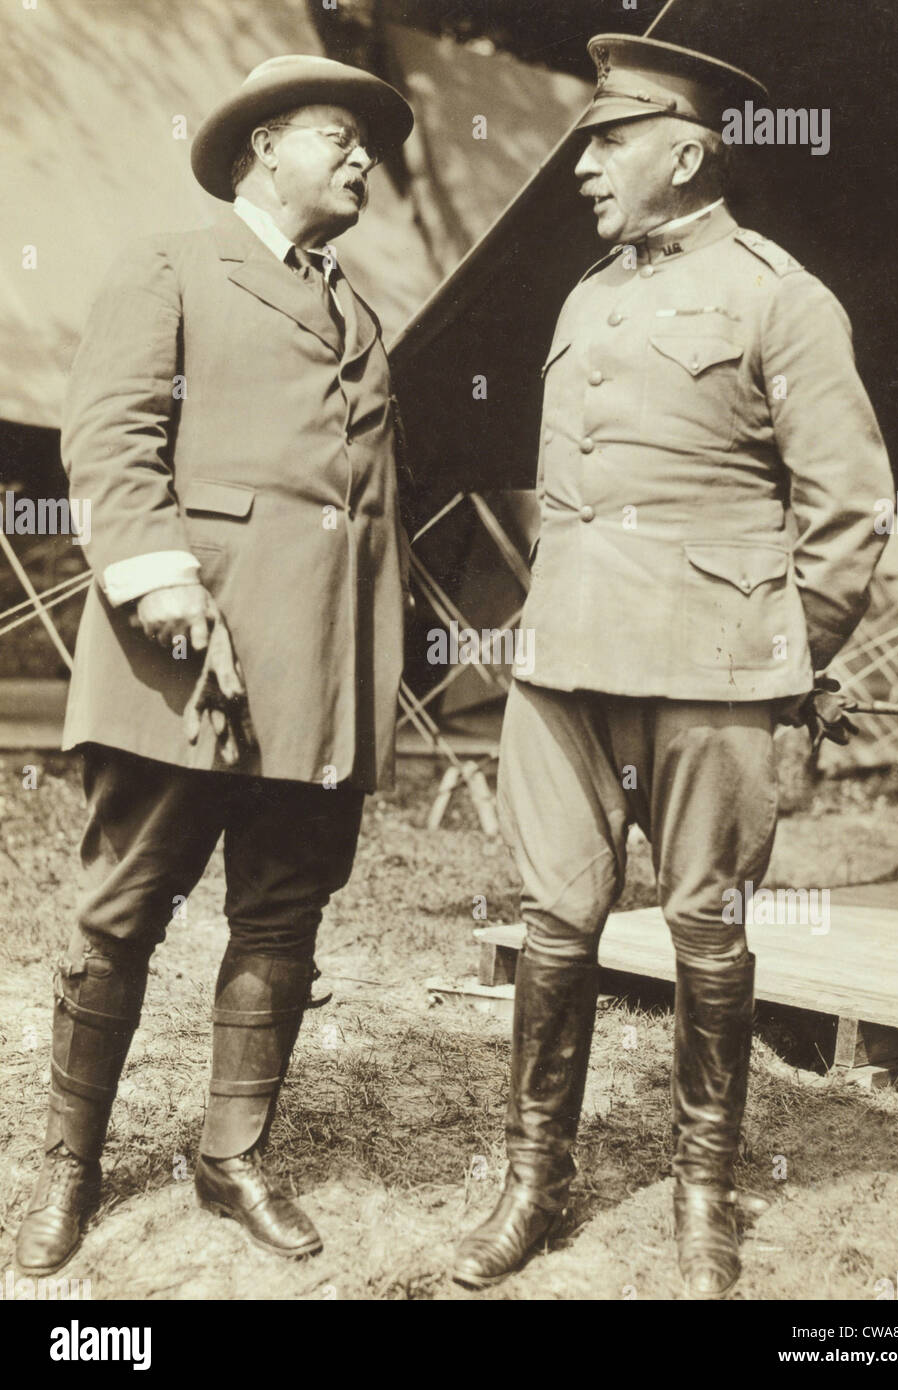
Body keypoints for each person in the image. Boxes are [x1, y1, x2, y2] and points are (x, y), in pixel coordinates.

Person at [453, 35, 892, 1298]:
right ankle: (534, 1179)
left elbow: (851, 506)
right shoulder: (587, 294)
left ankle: (706, 1197)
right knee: (554, 918)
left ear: (687, 152)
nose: (585, 164)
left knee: (706, 926)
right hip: (566, 657)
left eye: (611, 139)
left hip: (713, 669)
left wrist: (780, 655)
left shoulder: (780, 296)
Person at [16, 54, 413, 1274]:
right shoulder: (172, 265)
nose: (364, 159)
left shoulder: (360, 308)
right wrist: (162, 579)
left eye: (366, 144)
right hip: (188, 659)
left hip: (321, 676)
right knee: (122, 909)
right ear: (261, 150)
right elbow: (113, 435)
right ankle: (70, 1165)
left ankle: (232, 1155)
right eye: (338, 136)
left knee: (283, 916)